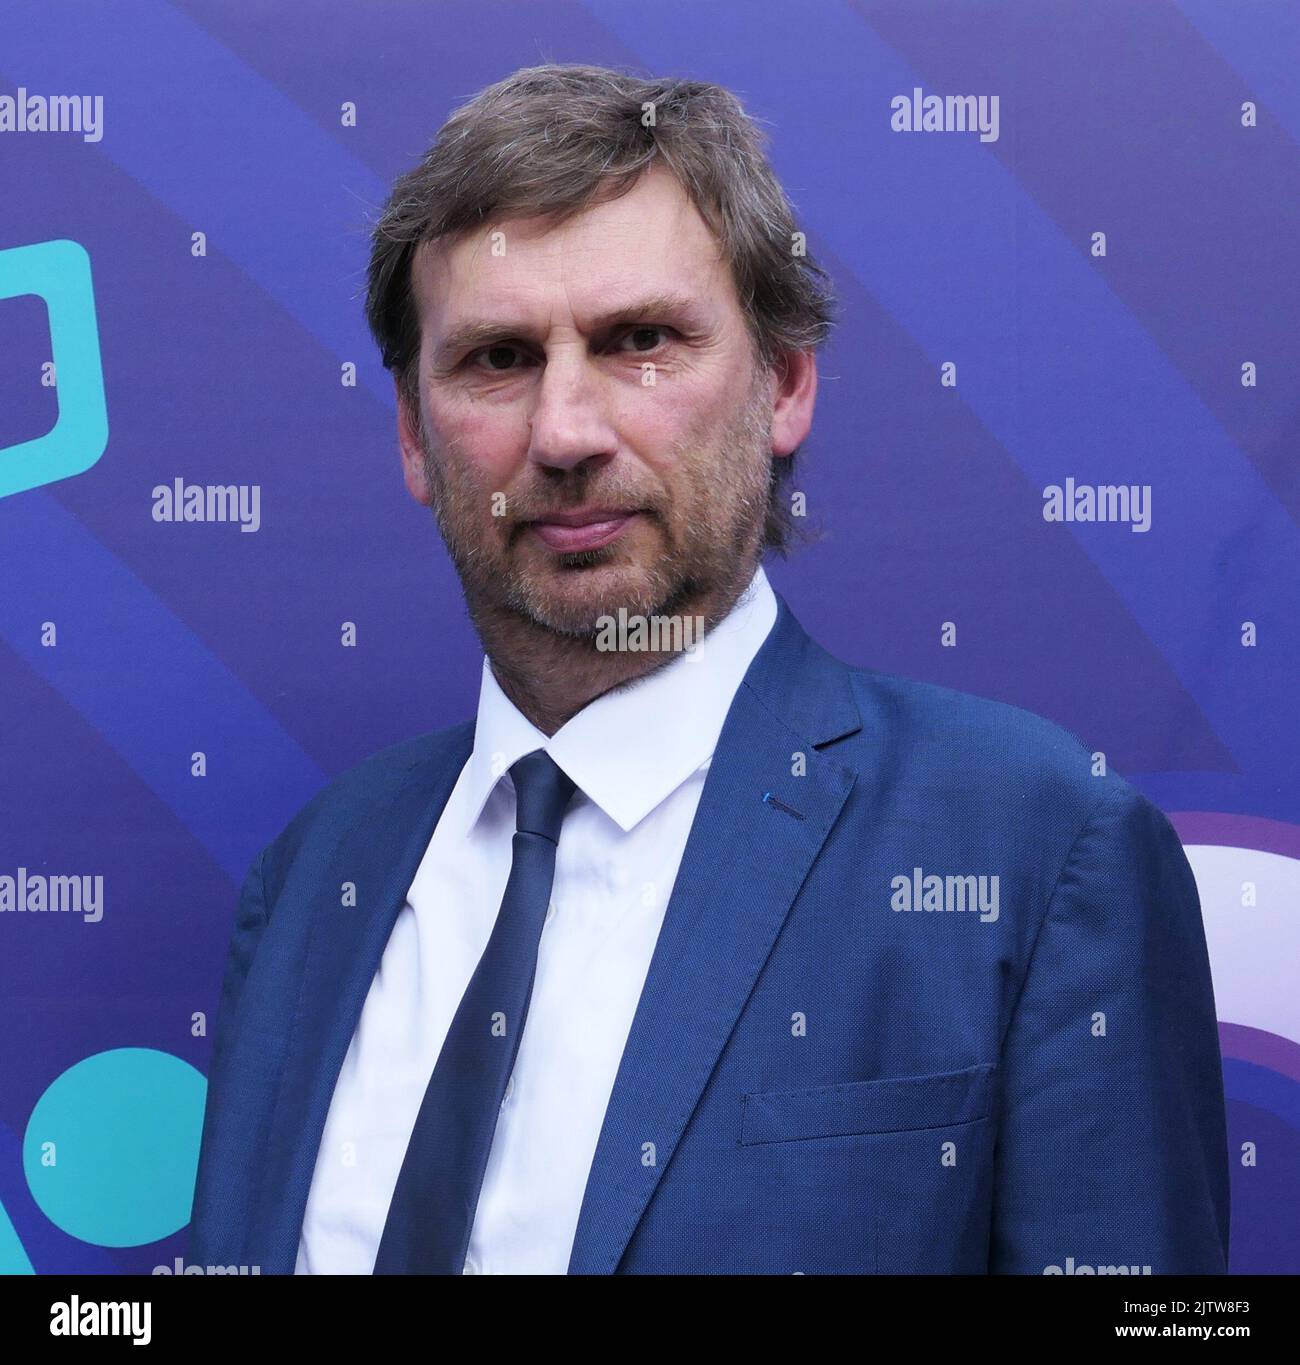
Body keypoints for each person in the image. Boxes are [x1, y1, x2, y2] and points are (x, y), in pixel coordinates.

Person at [188, 63, 1229, 1275]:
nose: (566, 433)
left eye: (641, 341)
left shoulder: (1038, 850)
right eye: (497, 360)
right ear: (416, 437)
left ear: (784, 384)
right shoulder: (318, 879)